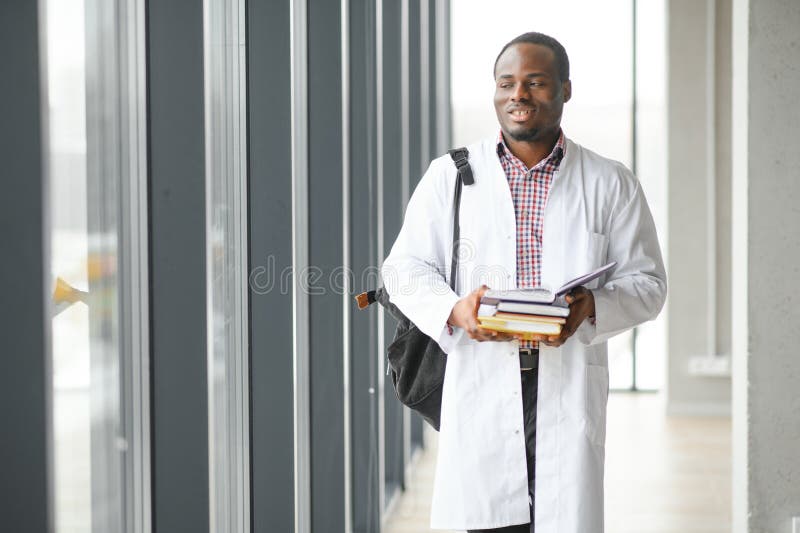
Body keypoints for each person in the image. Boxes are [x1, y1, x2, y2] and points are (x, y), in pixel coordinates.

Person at [380, 32, 666, 532]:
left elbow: (648, 284)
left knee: (561, 517)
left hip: (566, 379)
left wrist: (589, 307)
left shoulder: (609, 182)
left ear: (564, 90)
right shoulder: (450, 176)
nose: (518, 95)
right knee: (486, 519)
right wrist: (456, 310)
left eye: (535, 82)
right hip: (482, 376)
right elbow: (403, 268)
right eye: (506, 83)